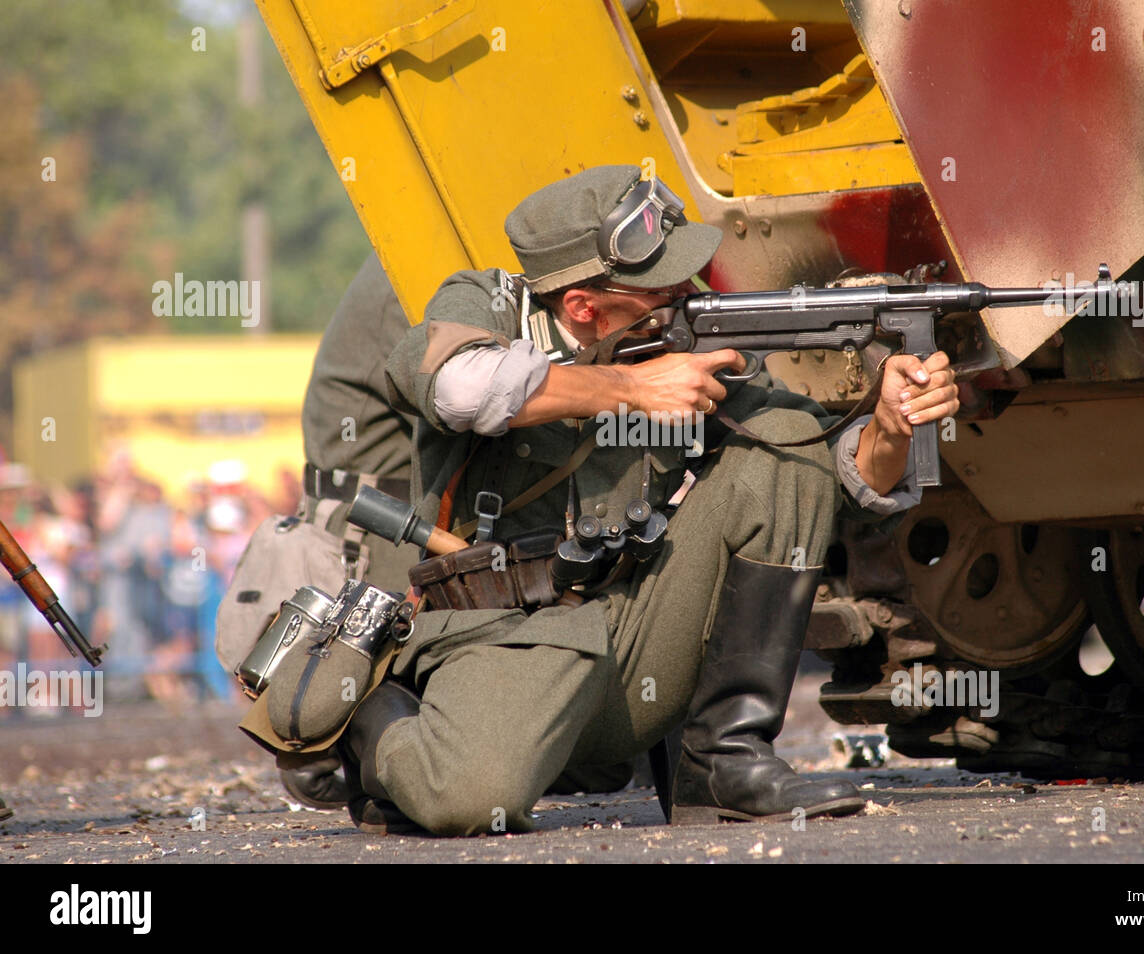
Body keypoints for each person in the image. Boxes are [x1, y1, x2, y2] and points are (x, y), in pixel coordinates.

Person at [339, 165, 958, 835]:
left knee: (787, 438)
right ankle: (374, 726)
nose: (688, 293)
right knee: (465, 799)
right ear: (583, 305)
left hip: (634, 633)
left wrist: (891, 429)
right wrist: (632, 391)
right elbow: (460, 389)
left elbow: (825, 474)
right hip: (494, 636)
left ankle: (725, 759)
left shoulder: (681, 342)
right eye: (661, 285)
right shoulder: (487, 305)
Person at [276, 254, 421, 808]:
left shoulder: (395, 265)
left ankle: (333, 738)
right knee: (391, 664)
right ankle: (343, 745)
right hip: (381, 531)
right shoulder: (406, 280)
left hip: (369, 517)